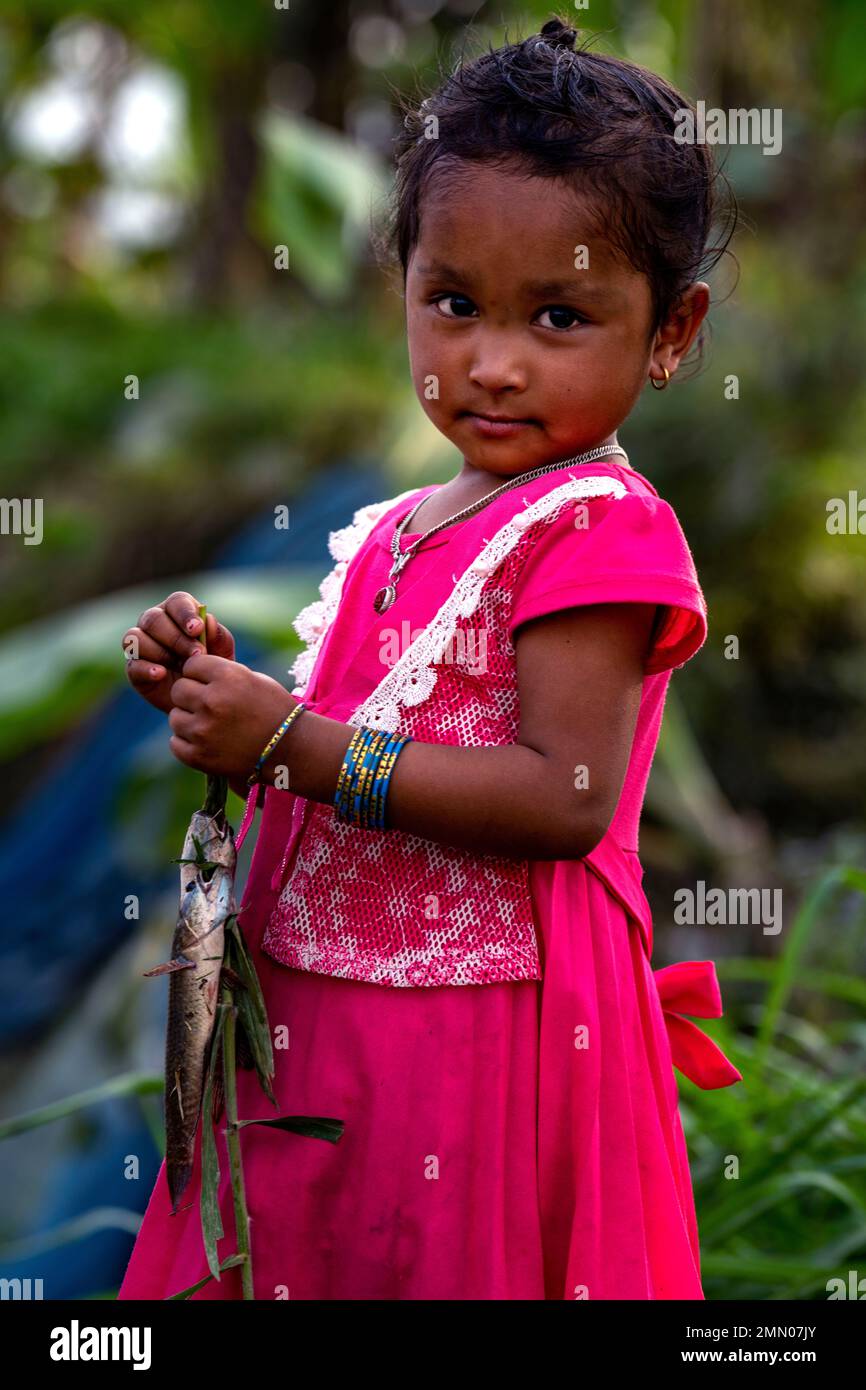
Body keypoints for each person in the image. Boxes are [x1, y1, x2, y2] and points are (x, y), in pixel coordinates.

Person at [117, 16, 743, 1301]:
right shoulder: (402, 523)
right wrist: (227, 697)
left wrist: (284, 742)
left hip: (477, 1042)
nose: (490, 363)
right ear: (400, 281)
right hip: (318, 1018)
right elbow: (369, 729)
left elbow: (557, 797)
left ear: (669, 335)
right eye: (450, 303)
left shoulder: (597, 529)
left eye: (559, 317)